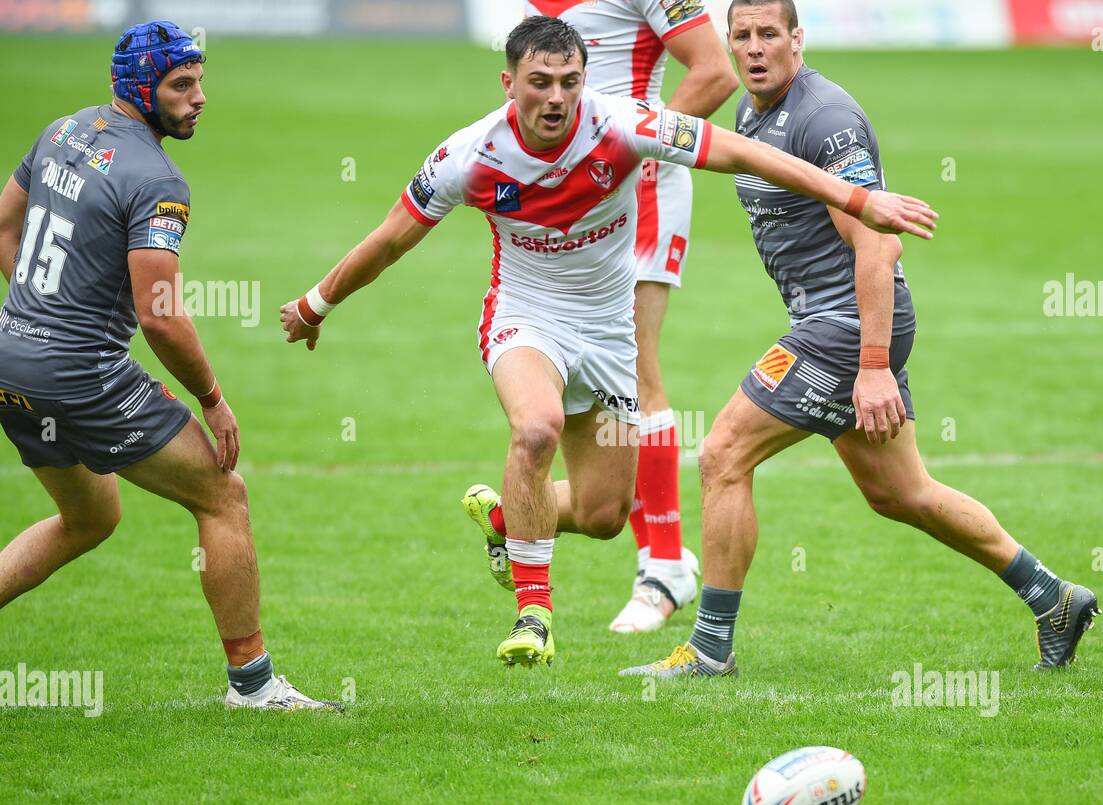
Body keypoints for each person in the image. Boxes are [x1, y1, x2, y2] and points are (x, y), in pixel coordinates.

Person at [279, 15, 936, 669]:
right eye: (540, 82)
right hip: (525, 320)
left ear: (585, 81)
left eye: (569, 81)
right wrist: (316, 303)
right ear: (509, 84)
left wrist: (856, 198)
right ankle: (535, 614)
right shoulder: (468, 156)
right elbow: (393, 236)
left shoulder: (621, 124)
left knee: (602, 512)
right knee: (534, 431)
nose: (556, 97)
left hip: (607, 335)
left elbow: (737, 150)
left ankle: (514, 520)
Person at [621, 0, 1099, 679]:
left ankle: (708, 651)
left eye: (769, 35)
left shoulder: (827, 120)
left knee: (723, 453)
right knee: (901, 493)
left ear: (798, 39)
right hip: (839, 324)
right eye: (742, 37)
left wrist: (872, 365)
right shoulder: (752, 112)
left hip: (846, 327)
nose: (754, 49)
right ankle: (1054, 597)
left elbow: (877, 241)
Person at [0, 21, 339, 711]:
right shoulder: (157, 179)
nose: (198, 97)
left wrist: (40, 311)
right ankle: (254, 685)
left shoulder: (62, 131)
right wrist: (212, 398)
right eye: (181, 86)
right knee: (223, 494)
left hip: (12, 359)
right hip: (78, 374)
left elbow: (3, 229)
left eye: (199, 82)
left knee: (90, 520)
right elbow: (160, 315)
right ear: (140, 87)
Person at [522, 0, 738, 633]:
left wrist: (631, 155)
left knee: (638, 373)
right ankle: (634, 546)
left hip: (636, 188)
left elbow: (714, 72)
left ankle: (665, 563)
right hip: (569, 193)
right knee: (597, 375)